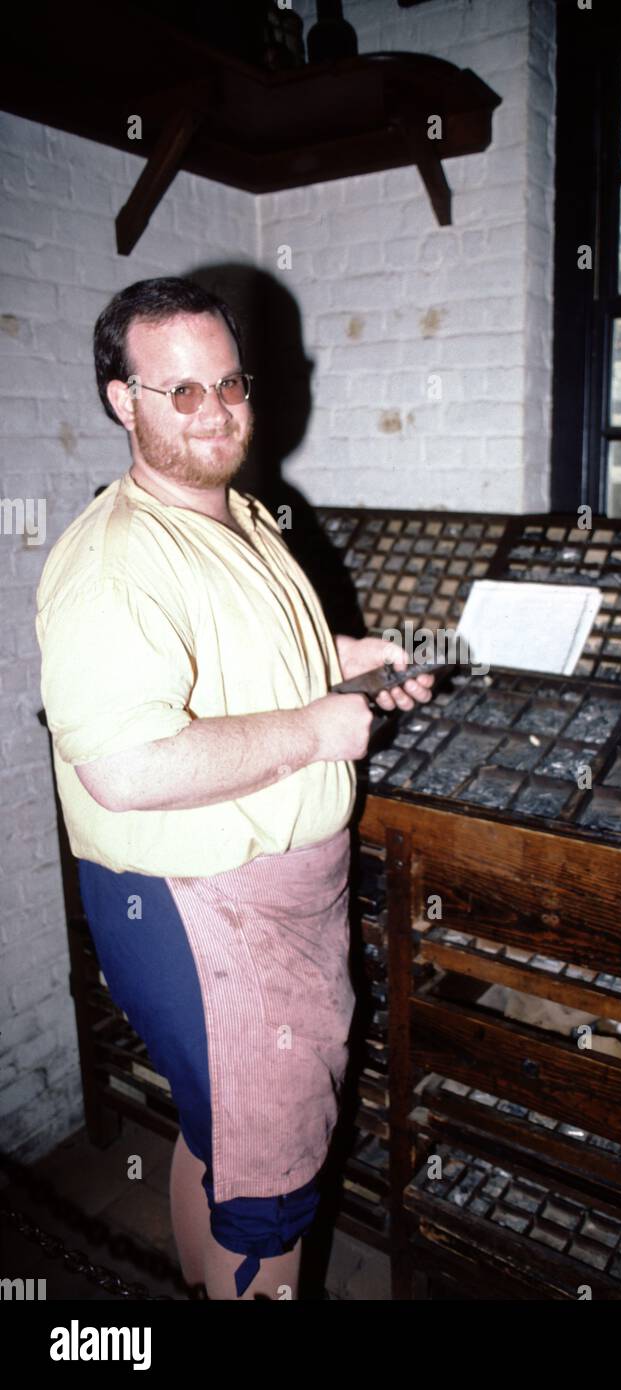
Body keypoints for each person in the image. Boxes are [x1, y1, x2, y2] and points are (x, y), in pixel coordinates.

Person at [34, 276, 434, 1300]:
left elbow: (242, 662)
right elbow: (125, 767)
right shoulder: (115, 560)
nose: (213, 409)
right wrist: (312, 729)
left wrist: (348, 661)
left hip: (265, 894)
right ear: (122, 400)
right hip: (204, 908)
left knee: (222, 1137)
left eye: (228, 382)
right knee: (271, 1181)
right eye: (178, 391)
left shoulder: (242, 515)